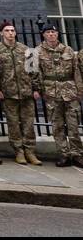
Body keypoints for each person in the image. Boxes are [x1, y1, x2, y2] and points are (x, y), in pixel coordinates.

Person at [0, 21, 41, 165]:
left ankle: (30, 151)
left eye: (12, 30)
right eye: (7, 30)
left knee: (28, 123)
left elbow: (33, 71)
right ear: (1, 33)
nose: (10, 33)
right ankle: (18, 151)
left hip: (26, 92)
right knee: (13, 123)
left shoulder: (26, 49)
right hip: (8, 92)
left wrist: (36, 89)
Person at [33, 21, 82, 168]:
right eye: (48, 32)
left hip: (70, 91)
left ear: (57, 34)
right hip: (51, 92)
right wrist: (37, 89)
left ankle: (77, 154)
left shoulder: (68, 50)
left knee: (73, 125)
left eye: (53, 32)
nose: (51, 34)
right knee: (57, 126)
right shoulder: (35, 52)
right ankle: (63, 154)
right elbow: (33, 73)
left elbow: (77, 72)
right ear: (44, 35)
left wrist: (79, 90)